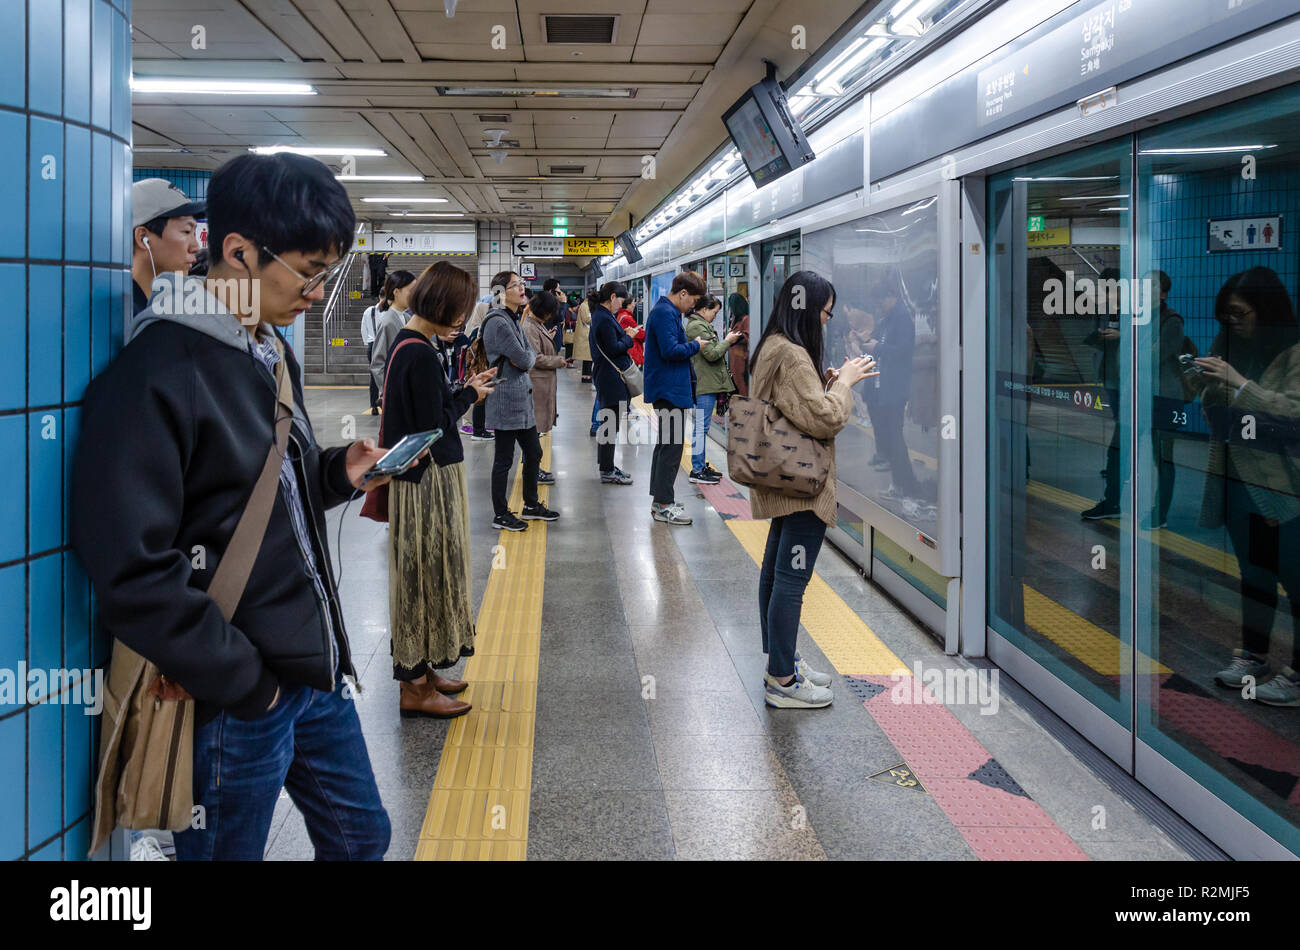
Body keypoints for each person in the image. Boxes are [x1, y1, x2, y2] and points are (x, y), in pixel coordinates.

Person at [71, 151, 391, 860]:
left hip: (312, 672)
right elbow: (130, 564)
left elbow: (264, 490)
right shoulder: (158, 372)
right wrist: (244, 682)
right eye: (309, 272)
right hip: (234, 700)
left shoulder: (268, 350)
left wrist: (339, 473)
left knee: (363, 836)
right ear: (240, 250)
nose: (317, 292)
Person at [749, 271, 877, 708]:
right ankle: (782, 680)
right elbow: (824, 419)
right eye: (825, 313)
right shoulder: (793, 356)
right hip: (800, 479)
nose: (826, 322)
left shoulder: (772, 344)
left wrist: (821, 388)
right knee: (791, 580)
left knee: (775, 569)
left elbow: (793, 408)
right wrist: (844, 384)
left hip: (780, 474)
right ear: (808, 309)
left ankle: (780, 662)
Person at [381, 262, 497, 718]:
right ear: (445, 306)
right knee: (424, 574)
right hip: (426, 483)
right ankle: (414, 686)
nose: (462, 318)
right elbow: (433, 425)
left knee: (429, 572)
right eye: (461, 309)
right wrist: (470, 397)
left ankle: (426, 672)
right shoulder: (418, 352)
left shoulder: (411, 344)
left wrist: (462, 388)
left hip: (420, 479)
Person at [1197, 268, 1300, 706]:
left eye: (1239, 313)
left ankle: (1297, 677)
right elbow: (1213, 411)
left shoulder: (1293, 353)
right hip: (1238, 479)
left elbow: (1291, 413)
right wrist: (1209, 385)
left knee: (1296, 580)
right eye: (1225, 316)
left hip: (1284, 486)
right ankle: (1253, 655)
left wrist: (1239, 384)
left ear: (1267, 309)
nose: (1232, 323)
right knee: (1254, 575)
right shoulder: (1231, 347)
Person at [483, 270, 560, 531]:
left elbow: (526, 354)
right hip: (506, 398)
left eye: (521, 284)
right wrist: (525, 356)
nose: (522, 288)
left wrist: (525, 356)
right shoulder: (498, 322)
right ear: (500, 293)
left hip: (520, 398)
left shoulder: (512, 317)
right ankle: (500, 513)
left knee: (533, 451)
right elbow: (527, 359)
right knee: (504, 459)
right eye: (515, 285)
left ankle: (530, 504)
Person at [644, 271, 706, 525]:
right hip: (668, 389)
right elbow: (671, 350)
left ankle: (661, 498)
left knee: (666, 446)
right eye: (692, 300)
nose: (693, 306)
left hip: (669, 388)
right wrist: (696, 346)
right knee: (671, 449)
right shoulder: (665, 313)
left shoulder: (666, 311)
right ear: (682, 293)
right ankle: (663, 504)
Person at [862, 275, 922, 504]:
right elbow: (881, 345)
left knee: (895, 440)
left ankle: (906, 485)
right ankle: (900, 484)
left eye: (880, 301)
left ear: (891, 296)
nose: (879, 306)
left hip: (893, 390)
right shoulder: (886, 319)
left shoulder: (903, 319)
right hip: (879, 390)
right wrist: (869, 343)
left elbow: (904, 351)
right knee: (888, 440)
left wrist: (878, 346)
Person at [129, 178, 204, 318]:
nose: (196, 247)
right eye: (186, 232)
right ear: (142, 238)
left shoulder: (171, 308)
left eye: (194, 233)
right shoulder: (120, 316)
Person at [685, 293, 740, 484]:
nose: (715, 317)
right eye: (714, 313)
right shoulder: (696, 327)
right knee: (701, 427)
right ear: (704, 309)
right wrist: (728, 341)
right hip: (704, 383)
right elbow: (712, 354)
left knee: (703, 426)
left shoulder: (700, 325)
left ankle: (700, 465)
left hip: (708, 381)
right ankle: (697, 470)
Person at [590, 281, 639, 485]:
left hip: (607, 375)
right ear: (612, 297)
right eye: (620, 299)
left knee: (609, 424)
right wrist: (629, 337)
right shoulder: (604, 318)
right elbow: (613, 348)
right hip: (611, 378)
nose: (622, 303)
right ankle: (608, 471)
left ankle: (607, 466)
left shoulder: (602, 316)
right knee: (610, 425)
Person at [1149, 270, 1187, 528]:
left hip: (1167, 396)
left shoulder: (1172, 321)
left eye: (1150, 286)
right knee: (1151, 454)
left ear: (1163, 293)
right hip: (1146, 393)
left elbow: (1154, 355)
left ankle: (1160, 511)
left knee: (1163, 455)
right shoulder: (1142, 318)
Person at [522, 290, 571, 483]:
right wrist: (558, 361)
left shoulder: (536, 325)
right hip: (537, 383)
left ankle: (533, 468)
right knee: (531, 435)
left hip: (542, 383)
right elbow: (535, 358)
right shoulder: (529, 327)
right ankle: (531, 471)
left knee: (534, 434)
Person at [368, 270, 416, 406]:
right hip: (397, 393)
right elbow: (377, 363)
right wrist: (388, 390)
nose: (414, 295)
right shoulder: (387, 322)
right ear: (396, 292)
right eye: (410, 290)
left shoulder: (406, 317)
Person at [462, 300, 494, 441]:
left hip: (480, 366)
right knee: (475, 395)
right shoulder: (478, 328)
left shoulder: (478, 326)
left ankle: (478, 426)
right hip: (476, 366)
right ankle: (473, 427)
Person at [727, 292, 751, 397]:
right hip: (735, 358)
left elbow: (748, 336)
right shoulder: (736, 319)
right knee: (737, 383)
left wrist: (734, 337)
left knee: (742, 385)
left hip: (741, 357)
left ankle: (745, 408)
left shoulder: (746, 319)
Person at [361, 296, 380, 414]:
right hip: (383, 345)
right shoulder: (388, 312)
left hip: (371, 345)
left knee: (373, 376)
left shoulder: (368, 311)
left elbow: (363, 329)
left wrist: (367, 343)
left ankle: (373, 406)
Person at [574, 291, 594, 383]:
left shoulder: (586, 305)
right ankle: (586, 377)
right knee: (587, 358)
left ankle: (587, 376)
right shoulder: (585, 306)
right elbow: (586, 319)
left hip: (586, 334)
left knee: (588, 358)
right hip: (585, 335)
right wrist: (596, 317)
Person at [617, 301, 645, 367]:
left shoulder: (620, 315)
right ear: (628, 305)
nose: (634, 305)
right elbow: (642, 336)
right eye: (633, 302)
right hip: (633, 352)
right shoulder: (627, 318)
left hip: (627, 350)